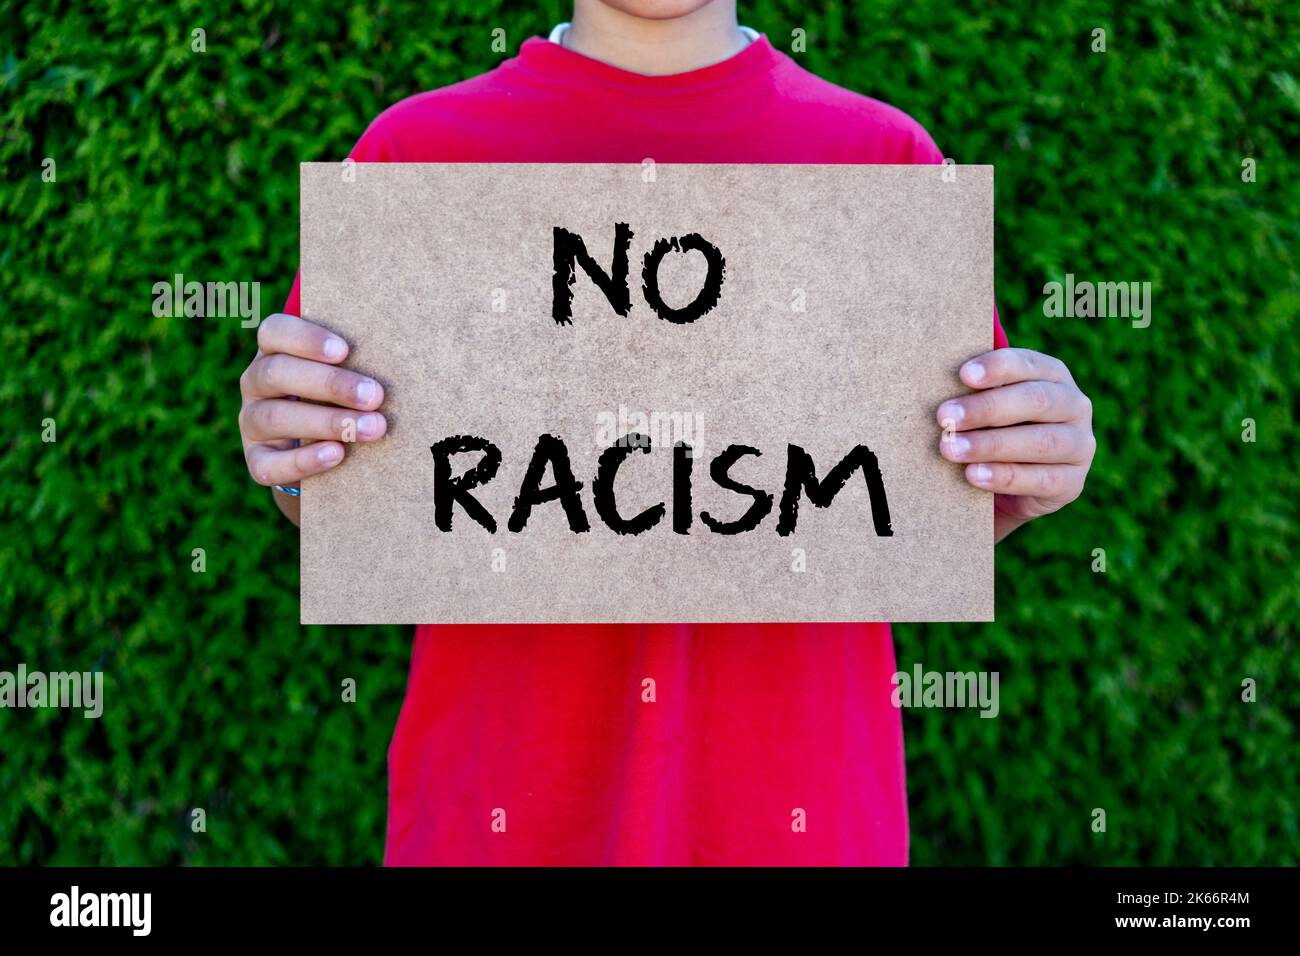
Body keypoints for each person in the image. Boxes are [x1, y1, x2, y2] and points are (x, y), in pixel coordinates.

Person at [237, 0, 1095, 865]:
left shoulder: (881, 161)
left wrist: (1025, 464)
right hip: (498, 818)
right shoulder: (416, 156)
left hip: (798, 823)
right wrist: (294, 458)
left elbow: (937, 503)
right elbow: (346, 494)